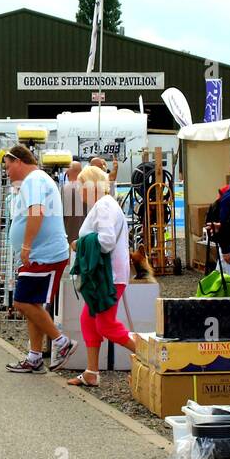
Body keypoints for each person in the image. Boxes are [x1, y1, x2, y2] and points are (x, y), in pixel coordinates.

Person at [3, 144, 76, 373]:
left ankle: (62, 342)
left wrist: (25, 246)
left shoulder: (34, 180)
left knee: (22, 302)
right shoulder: (36, 180)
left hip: (43, 254)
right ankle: (34, 357)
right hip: (41, 253)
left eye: (8, 167)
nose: (7, 173)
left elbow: (37, 211)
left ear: (18, 161)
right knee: (33, 303)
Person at [68, 165, 137, 387]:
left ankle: (152, 357)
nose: (80, 191)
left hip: (109, 276)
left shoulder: (104, 207)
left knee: (106, 325)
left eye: (81, 186)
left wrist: (80, 244)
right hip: (108, 275)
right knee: (88, 320)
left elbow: (106, 241)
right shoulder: (106, 204)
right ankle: (91, 372)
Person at [61, 161, 87, 244]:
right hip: (86, 235)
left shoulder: (65, 189)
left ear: (68, 172)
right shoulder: (89, 188)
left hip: (69, 236)